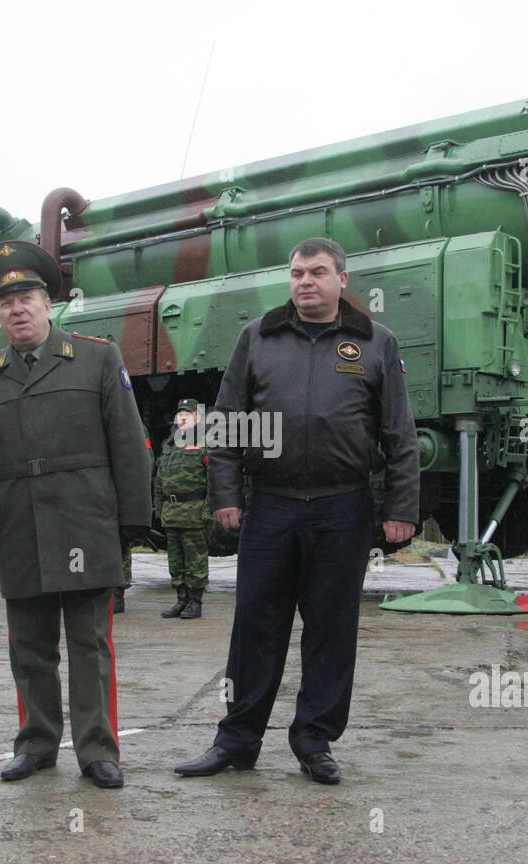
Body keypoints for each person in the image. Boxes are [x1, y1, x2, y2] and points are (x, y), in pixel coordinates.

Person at [174, 237, 419, 785]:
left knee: (331, 630)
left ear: (342, 281)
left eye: (316, 272)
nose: (305, 282)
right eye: (296, 273)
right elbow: (227, 421)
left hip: (343, 506)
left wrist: (401, 506)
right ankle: (237, 739)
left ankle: (315, 741)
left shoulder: (375, 342)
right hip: (271, 507)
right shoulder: (258, 337)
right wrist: (227, 495)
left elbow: (399, 433)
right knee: (255, 626)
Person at [0, 240, 151, 790]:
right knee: (29, 647)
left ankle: (98, 751)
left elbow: (128, 442)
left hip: (85, 524)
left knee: (90, 645)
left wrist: (129, 525)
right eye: (6, 302)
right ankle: (37, 743)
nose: (17, 308)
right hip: (18, 530)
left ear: (49, 303)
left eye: (27, 297)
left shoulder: (97, 358)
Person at [155, 398, 212, 619]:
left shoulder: (205, 442)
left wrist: (207, 512)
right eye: (180, 414)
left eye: (188, 414)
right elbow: (160, 480)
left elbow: (213, 481)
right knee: (176, 562)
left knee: (195, 561)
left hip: (194, 513)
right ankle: (181, 600)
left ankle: (195, 602)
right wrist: (160, 509)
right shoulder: (170, 445)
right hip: (173, 513)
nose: (183, 418)